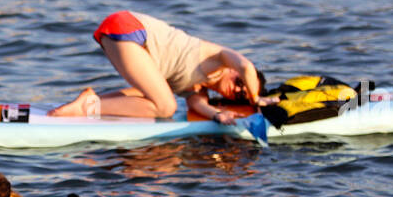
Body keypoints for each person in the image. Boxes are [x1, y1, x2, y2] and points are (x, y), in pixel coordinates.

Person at [51, 11, 264, 124]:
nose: (237, 89)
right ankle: (85, 108)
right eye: (239, 84)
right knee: (166, 107)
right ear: (234, 73)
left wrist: (219, 115)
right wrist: (255, 99)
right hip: (131, 30)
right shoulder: (219, 57)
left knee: (148, 95)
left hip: (122, 36)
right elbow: (246, 66)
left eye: (239, 95)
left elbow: (199, 106)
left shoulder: (198, 88)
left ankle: (91, 102)